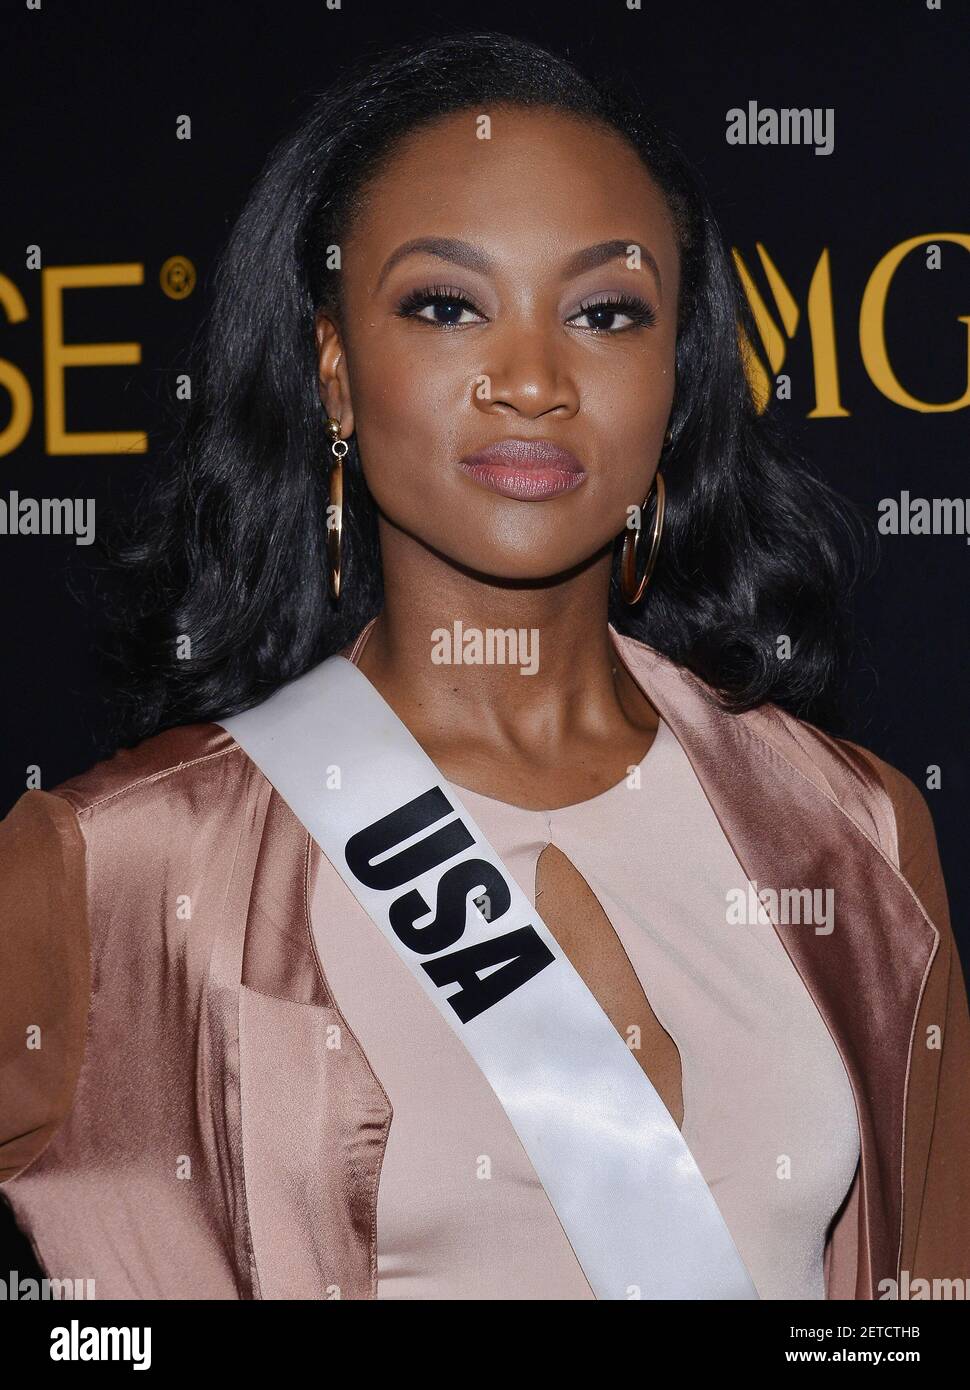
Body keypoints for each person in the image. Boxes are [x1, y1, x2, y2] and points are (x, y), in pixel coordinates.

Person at [1, 31, 967, 1302]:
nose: (530, 380)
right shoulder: (117, 864)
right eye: (447, 305)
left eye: (605, 312)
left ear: (675, 380)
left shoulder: (854, 834)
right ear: (334, 374)